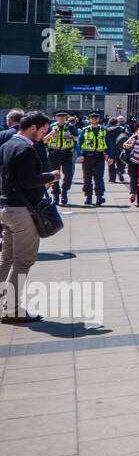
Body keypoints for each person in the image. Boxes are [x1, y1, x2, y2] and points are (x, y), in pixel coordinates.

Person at [0, 111, 58, 324]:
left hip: (6, 207)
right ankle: (12, 308)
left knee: (6, 258)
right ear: (33, 128)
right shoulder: (26, 149)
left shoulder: (7, 145)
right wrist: (50, 176)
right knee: (23, 261)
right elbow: (28, 180)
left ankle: (6, 302)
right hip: (22, 211)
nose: (43, 136)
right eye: (43, 131)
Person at [45, 110, 77, 206]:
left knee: (68, 174)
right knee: (54, 176)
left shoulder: (70, 127)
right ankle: (56, 195)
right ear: (56, 118)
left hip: (66, 154)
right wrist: (51, 134)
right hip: (53, 154)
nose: (61, 118)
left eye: (63, 117)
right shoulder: (51, 127)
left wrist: (71, 136)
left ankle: (64, 191)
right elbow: (44, 140)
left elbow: (77, 138)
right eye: (59, 117)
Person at [79, 110, 110, 206]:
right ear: (89, 120)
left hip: (99, 156)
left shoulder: (103, 130)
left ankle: (99, 197)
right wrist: (79, 155)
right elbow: (79, 143)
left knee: (98, 177)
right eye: (92, 118)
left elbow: (108, 143)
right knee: (87, 177)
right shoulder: (85, 130)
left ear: (99, 119)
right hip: (87, 156)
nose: (94, 119)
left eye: (96, 118)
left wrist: (110, 156)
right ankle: (88, 197)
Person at [108, 117, 130, 183]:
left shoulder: (107, 130)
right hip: (120, 147)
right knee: (120, 161)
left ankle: (112, 178)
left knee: (111, 163)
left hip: (110, 148)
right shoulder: (121, 128)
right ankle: (120, 170)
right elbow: (127, 136)